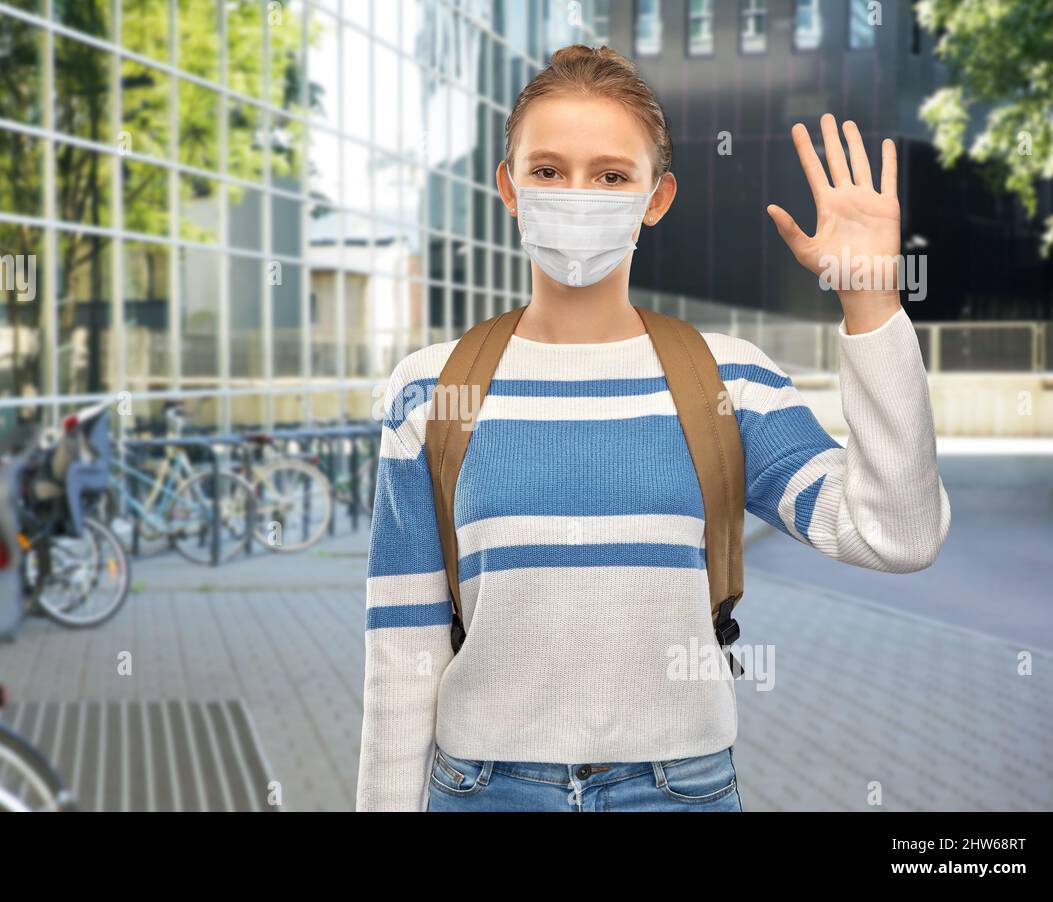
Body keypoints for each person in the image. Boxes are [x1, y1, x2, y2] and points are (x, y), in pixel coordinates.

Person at [355, 45, 950, 812]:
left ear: (656, 196)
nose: (578, 194)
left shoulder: (728, 381)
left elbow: (896, 535)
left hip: (679, 792)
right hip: (481, 789)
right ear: (508, 187)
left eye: (611, 175)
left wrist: (871, 301)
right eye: (546, 170)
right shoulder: (430, 390)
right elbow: (402, 650)